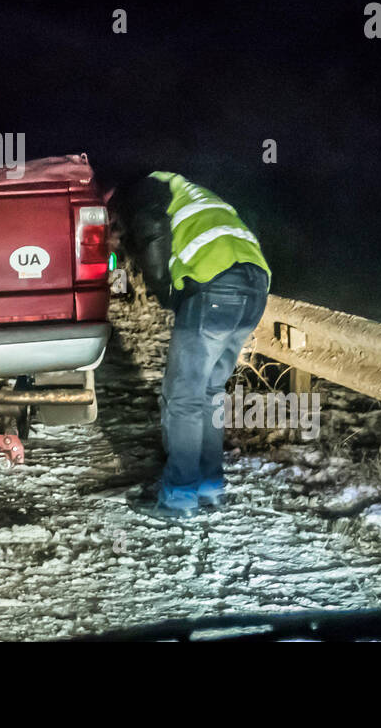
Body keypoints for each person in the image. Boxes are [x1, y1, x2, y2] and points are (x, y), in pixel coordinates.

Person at [109, 171, 270, 519]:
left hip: (214, 286)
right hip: (255, 285)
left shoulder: (140, 191)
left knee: (182, 397)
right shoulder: (191, 192)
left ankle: (179, 497)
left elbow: (152, 231)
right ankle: (210, 485)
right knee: (209, 391)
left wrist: (166, 292)